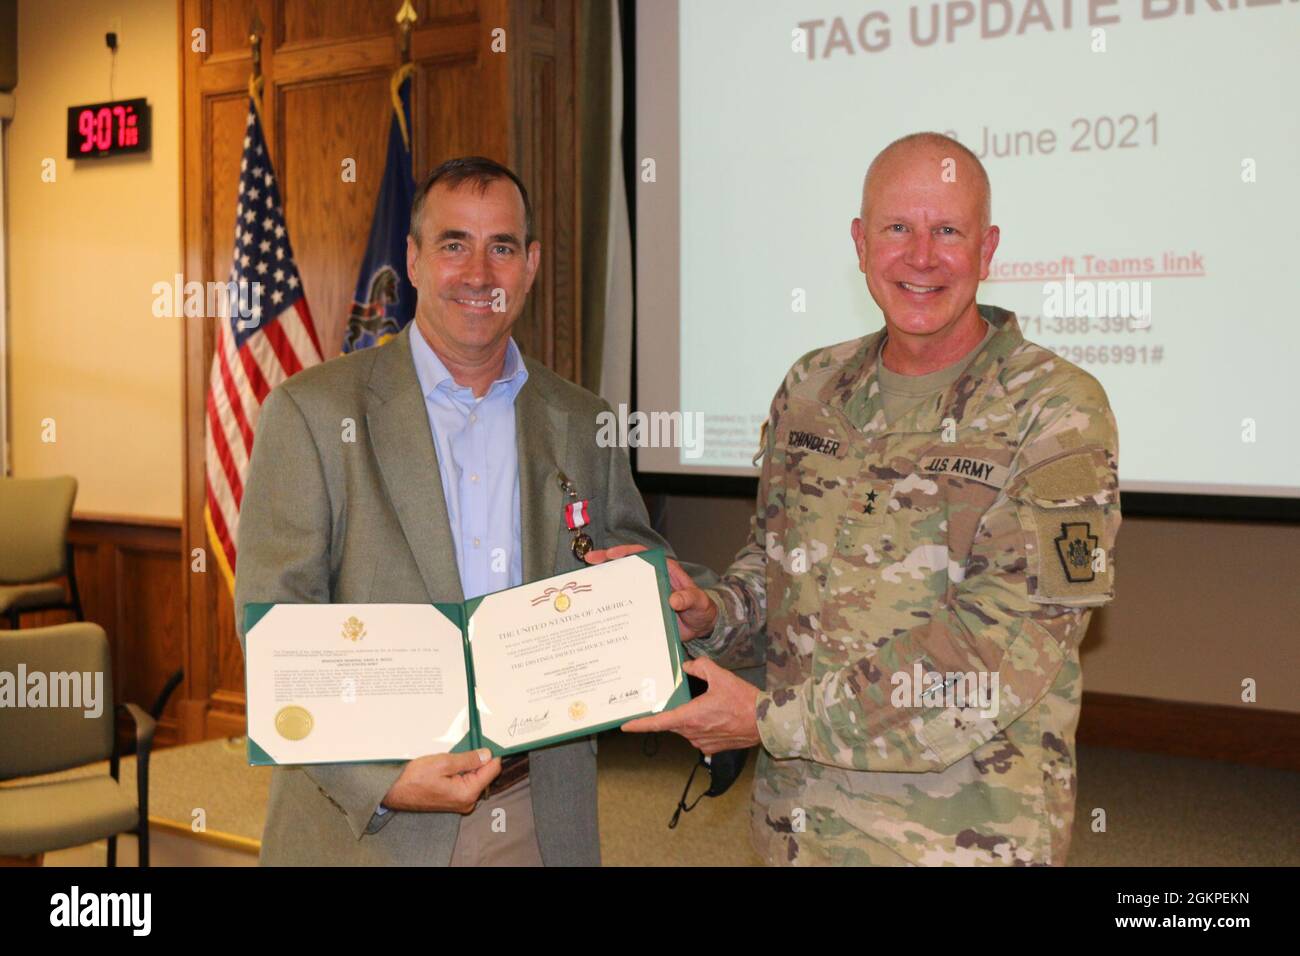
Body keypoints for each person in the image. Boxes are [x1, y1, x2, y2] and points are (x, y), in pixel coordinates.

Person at [594, 132, 1121, 866]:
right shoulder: (811, 387)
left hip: (959, 839)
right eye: (897, 228)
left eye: (948, 231)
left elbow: (1004, 649)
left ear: (989, 248)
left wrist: (772, 721)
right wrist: (717, 613)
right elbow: (777, 570)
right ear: (861, 242)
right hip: (799, 832)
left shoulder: (1062, 413)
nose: (921, 256)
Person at [235, 156, 709, 866]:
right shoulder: (313, 412)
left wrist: (678, 604)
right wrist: (383, 782)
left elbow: (630, 566)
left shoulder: (581, 419)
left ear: (532, 264)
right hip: (370, 827)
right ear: (415, 260)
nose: (479, 273)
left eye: (503, 247)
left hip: (537, 811)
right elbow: (276, 624)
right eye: (454, 243)